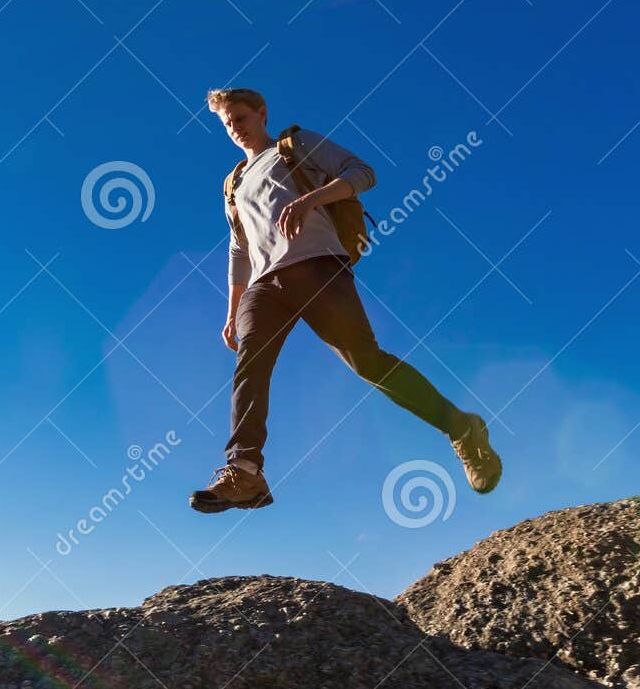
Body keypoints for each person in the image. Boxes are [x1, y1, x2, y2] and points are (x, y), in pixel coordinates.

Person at [190, 87, 501, 512]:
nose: (235, 129)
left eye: (240, 118)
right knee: (251, 363)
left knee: (366, 362)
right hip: (264, 286)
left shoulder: (294, 146)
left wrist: (310, 199)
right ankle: (245, 472)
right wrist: (231, 311)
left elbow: (363, 173)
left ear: (261, 113)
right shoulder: (234, 183)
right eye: (227, 125)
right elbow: (239, 249)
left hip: (317, 265)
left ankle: (462, 428)